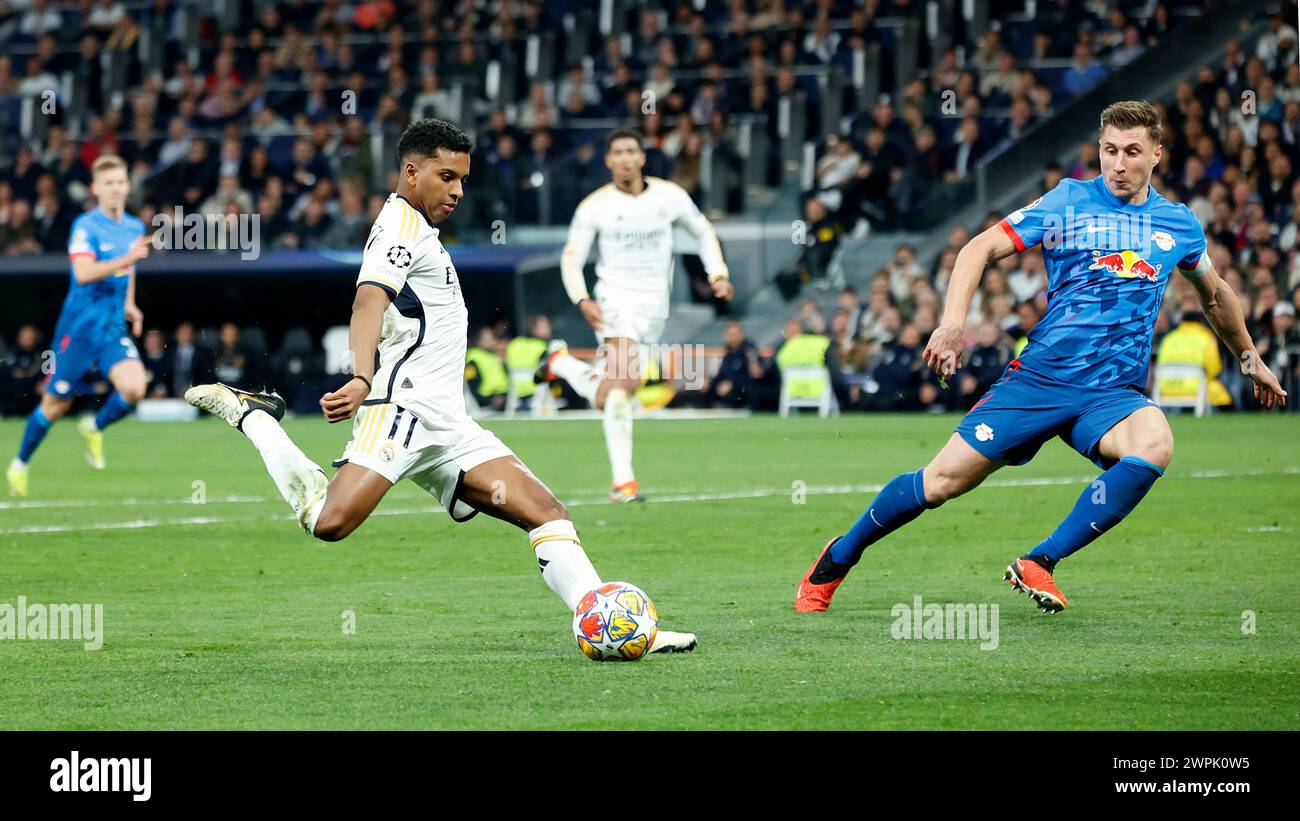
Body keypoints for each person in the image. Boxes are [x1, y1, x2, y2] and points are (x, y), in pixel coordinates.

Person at [184, 118, 695, 654]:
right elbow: (367, 303)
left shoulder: (421, 231)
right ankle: (256, 418)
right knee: (328, 522)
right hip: (401, 413)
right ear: (411, 170)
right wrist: (361, 375)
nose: (457, 191)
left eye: (463, 180)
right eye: (446, 176)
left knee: (547, 513)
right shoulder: (398, 229)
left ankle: (614, 627)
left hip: (449, 423)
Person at [796, 101, 1287, 614]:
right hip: (1039, 381)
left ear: (1157, 155)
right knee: (940, 484)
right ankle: (837, 557)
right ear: (1099, 151)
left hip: (1110, 395)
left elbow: (1214, 294)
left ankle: (1041, 561)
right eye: (1110, 151)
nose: (1119, 164)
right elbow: (976, 250)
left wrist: (1248, 356)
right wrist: (952, 323)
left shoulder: (1179, 224)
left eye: (1133, 152)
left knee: (1155, 443)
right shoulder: (1067, 202)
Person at [536, 128, 733, 502]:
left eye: (631, 151)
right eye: (617, 153)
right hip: (614, 303)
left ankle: (560, 364)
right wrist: (582, 299)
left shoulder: (669, 197)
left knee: (619, 393)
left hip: (654, 309)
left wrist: (718, 273)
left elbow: (703, 231)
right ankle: (623, 481)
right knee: (625, 382)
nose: (625, 158)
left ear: (642, 157)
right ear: (608, 161)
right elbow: (572, 258)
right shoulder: (595, 206)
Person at [8, 155, 150, 497]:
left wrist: (130, 303)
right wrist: (129, 258)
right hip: (79, 331)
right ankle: (20, 464)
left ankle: (95, 427)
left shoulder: (134, 227)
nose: (116, 189)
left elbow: (127, 272)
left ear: (128, 186)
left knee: (134, 388)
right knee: (56, 404)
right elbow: (84, 274)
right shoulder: (85, 227)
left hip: (111, 329)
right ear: (96, 188)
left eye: (120, 182)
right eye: (109, 183)